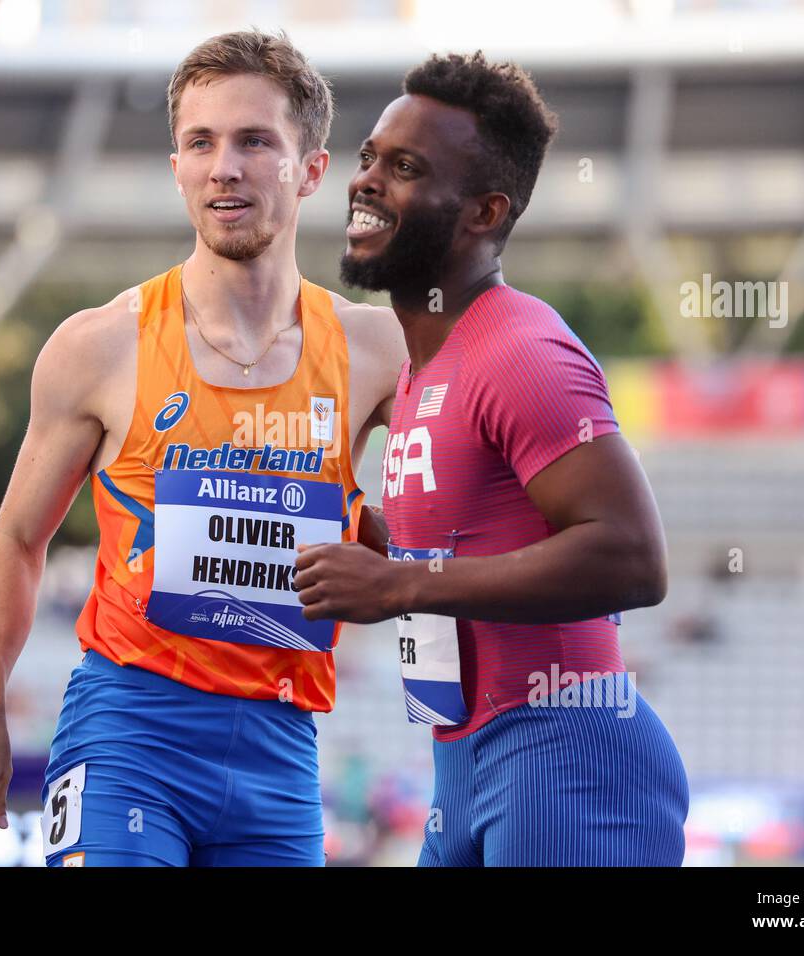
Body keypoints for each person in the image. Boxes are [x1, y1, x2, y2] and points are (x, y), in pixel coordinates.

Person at [0, 29, 405, 867]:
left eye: (256, 141)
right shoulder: (99, 347)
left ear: (311, 170)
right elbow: (17, 542)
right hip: (129, 734)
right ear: (176, 166)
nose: (225, 168)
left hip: (282, 751)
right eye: (200, 143)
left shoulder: (378, 350)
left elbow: (442, 520)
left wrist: (390, 559)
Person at [294, 52, 690, 866]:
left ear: (483, 212)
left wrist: (400, 582)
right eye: (368, 157)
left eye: (405, 168)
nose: (365, 181)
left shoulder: (521, 349)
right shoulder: (422, 364)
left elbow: (633, 557)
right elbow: (473, 553)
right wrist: (371, 540)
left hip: (568, 752)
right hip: (464, 759)